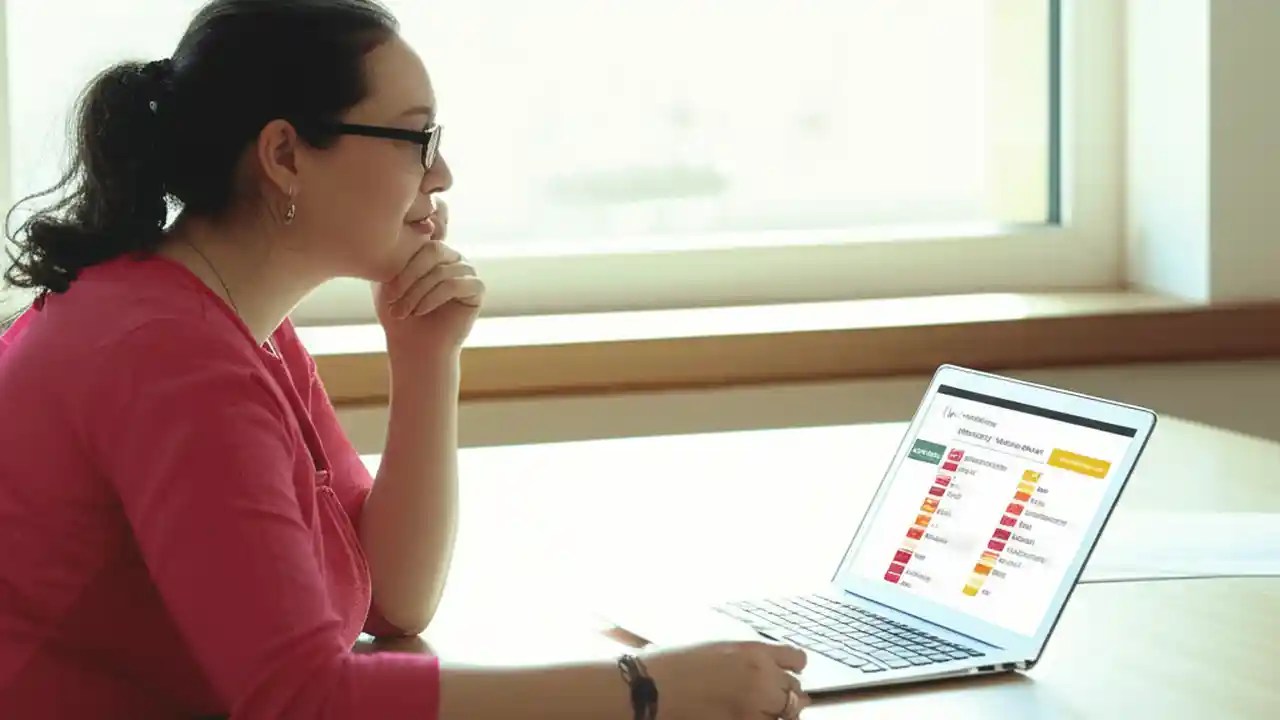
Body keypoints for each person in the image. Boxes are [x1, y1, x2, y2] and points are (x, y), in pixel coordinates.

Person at [0, 1, 811, 718]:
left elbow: (392, 599)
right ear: (284, 155)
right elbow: (303, 699)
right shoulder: (172, 360)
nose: (444, 173)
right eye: (417, 137)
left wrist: (426, 360)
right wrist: (647, 689)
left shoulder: (228, 326)